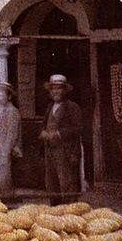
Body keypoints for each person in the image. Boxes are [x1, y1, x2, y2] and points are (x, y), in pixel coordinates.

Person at [39, 74, 84, 205]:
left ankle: (69, 213)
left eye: (59, 88)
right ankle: (55, 212)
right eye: (53, 89)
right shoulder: (50, 107)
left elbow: (78, 128)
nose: (56, 91)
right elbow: (46, 124)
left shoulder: (72, 107)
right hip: (50, 150)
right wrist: (43, 132)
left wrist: (58, 134)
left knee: (67, 183)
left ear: (65, 90)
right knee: (52, 183)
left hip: (66, 151)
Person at [0, 82, 23, 172]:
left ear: (9, 97)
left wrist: (5, 152)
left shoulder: (12, 111)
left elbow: (12, 133)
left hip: (8, 150)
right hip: (0, 147)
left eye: (1, 94)